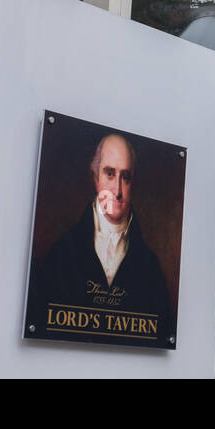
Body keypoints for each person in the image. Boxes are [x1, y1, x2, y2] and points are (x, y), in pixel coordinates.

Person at [26, 133, 173, 342]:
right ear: (95, 177)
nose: (118, 190)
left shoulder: (150, 266)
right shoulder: (62, 254)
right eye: (110, 174)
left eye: (126, 177)